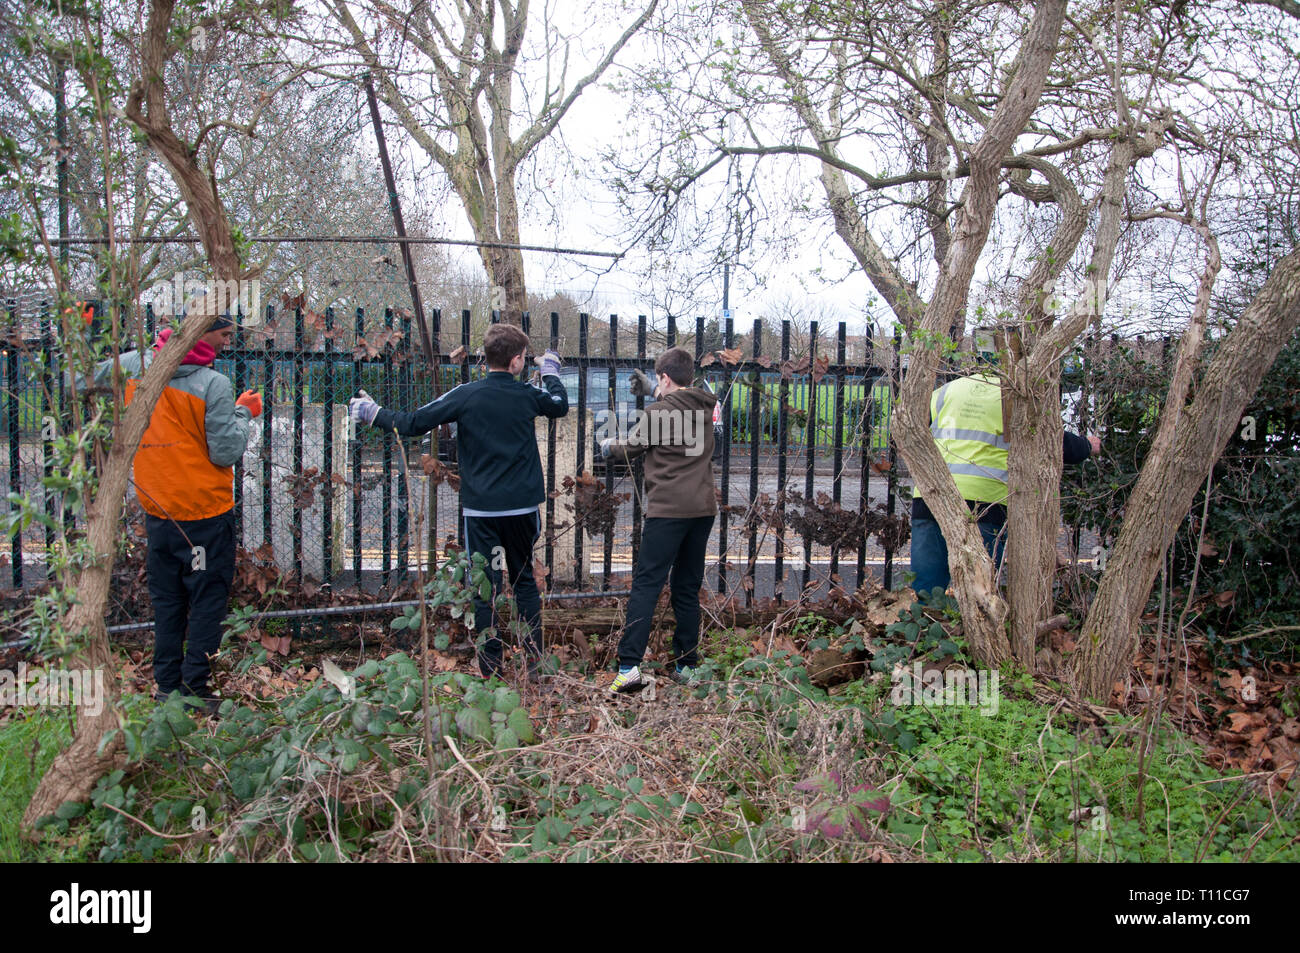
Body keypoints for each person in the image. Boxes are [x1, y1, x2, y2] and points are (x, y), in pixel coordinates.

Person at [349, 325, 568, 679]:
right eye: (525, 359)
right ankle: (535, 665)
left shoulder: (466, 395)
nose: (526, 364)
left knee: (486, 584)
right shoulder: (527, 395)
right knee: (525, 580)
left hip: (482, 513)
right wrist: (551, 372)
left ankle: (490, 668)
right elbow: (559, 405)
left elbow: (414, 423)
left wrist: (373, 413)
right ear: (515, 362)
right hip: (522, 510)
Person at [99, 314, 262, 713]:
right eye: (224, 334)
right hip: (205, 515)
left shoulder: (138, 367)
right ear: (203, 333)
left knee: (168, 601)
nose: (227, 342)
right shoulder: (214, 385)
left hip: (159, 512)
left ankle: (166, 688)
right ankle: (195, 689)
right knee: (207, 600)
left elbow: (89, 376)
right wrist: (244, 413)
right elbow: (225, 451)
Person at [908, 367, 1100, 595]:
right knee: (980, 593)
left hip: (932, 496)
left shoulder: (946, 391)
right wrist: (1087, 445)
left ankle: (923, 626)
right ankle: (973, 630)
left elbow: (908, 430)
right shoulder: (1014, 395)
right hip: (985, 500)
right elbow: (1054, 442)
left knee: (925, 589)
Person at [599, 347, 717, 693]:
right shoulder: (708, 407)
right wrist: (654, 389)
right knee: (686, 588)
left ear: (665, 377)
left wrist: (607, 446)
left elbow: (629, 448)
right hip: (702, 510)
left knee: (647, 584)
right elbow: (681, 405)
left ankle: (629, 667)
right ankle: (687, 664)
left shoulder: (657, 414)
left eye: (658, 380)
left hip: (668, 511)